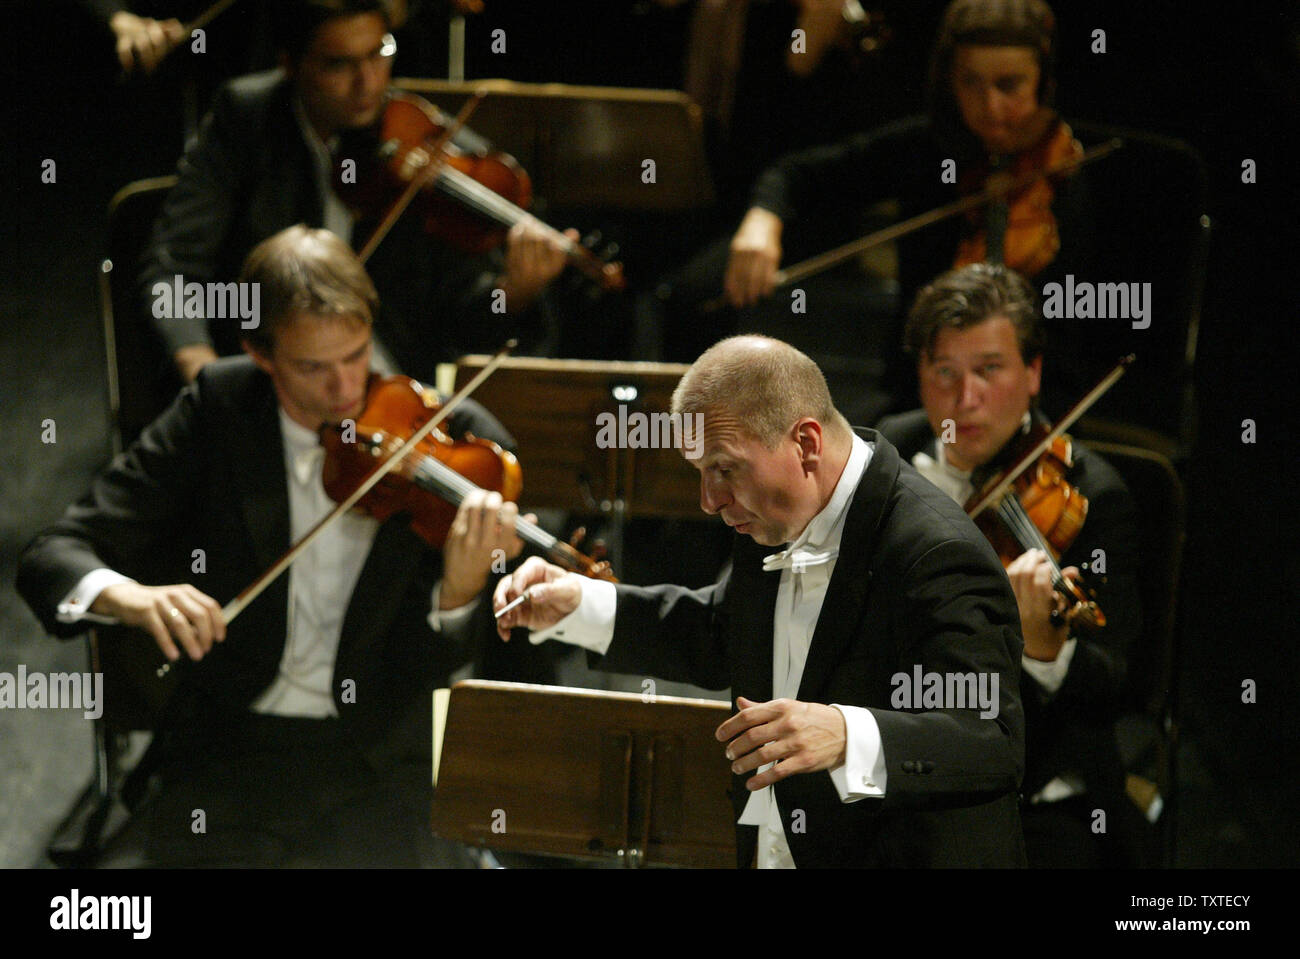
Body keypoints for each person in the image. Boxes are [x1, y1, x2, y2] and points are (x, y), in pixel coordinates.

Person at [18, 226, 528, 867]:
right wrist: (131, 598)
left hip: (376, 759)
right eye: (313, 367)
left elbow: (467, 668)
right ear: (261, 355)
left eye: (357, 354)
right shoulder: (218, 409)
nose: (346, 389)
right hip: (232, 746)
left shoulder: (453, 441)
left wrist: (457, 596)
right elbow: (54, 553)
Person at [493, 334, 1028, 868]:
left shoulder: (936, 552)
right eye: (700, 472)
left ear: (807, 444)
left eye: (724, 468)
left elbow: (991, 739)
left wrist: (846, 732)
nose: (709, 501)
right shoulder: (767, 518)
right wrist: (578, 605)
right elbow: (723, 633)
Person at [658, 0, 1107, 418]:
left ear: (1044, 81)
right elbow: (799, 175)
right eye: (971, 83)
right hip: (921, 405)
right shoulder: (930, 148)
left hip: (1045, 408)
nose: (991, 107)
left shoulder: (1074, 166)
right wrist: (762, 222)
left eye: (1010, 86)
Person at [139, 0, 574, 387]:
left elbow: (461, 325)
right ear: (290, 63)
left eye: (379, 53)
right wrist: (200, 364)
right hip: (267, 376)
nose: (368, 83)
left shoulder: (419, 142)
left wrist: (513, 294)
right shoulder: (246, 119)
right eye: (338, 65)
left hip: (391, 386)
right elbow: (174, 263)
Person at [875, 261, 1145, 867]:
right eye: (944, 371)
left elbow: (1119, 683)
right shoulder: (886, 454)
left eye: (988, 370)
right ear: (919, 374)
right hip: (896, 775)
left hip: (1032, 791)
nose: (964, 399)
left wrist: (1047, 650)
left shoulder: (1093, 496)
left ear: (1033, 374)